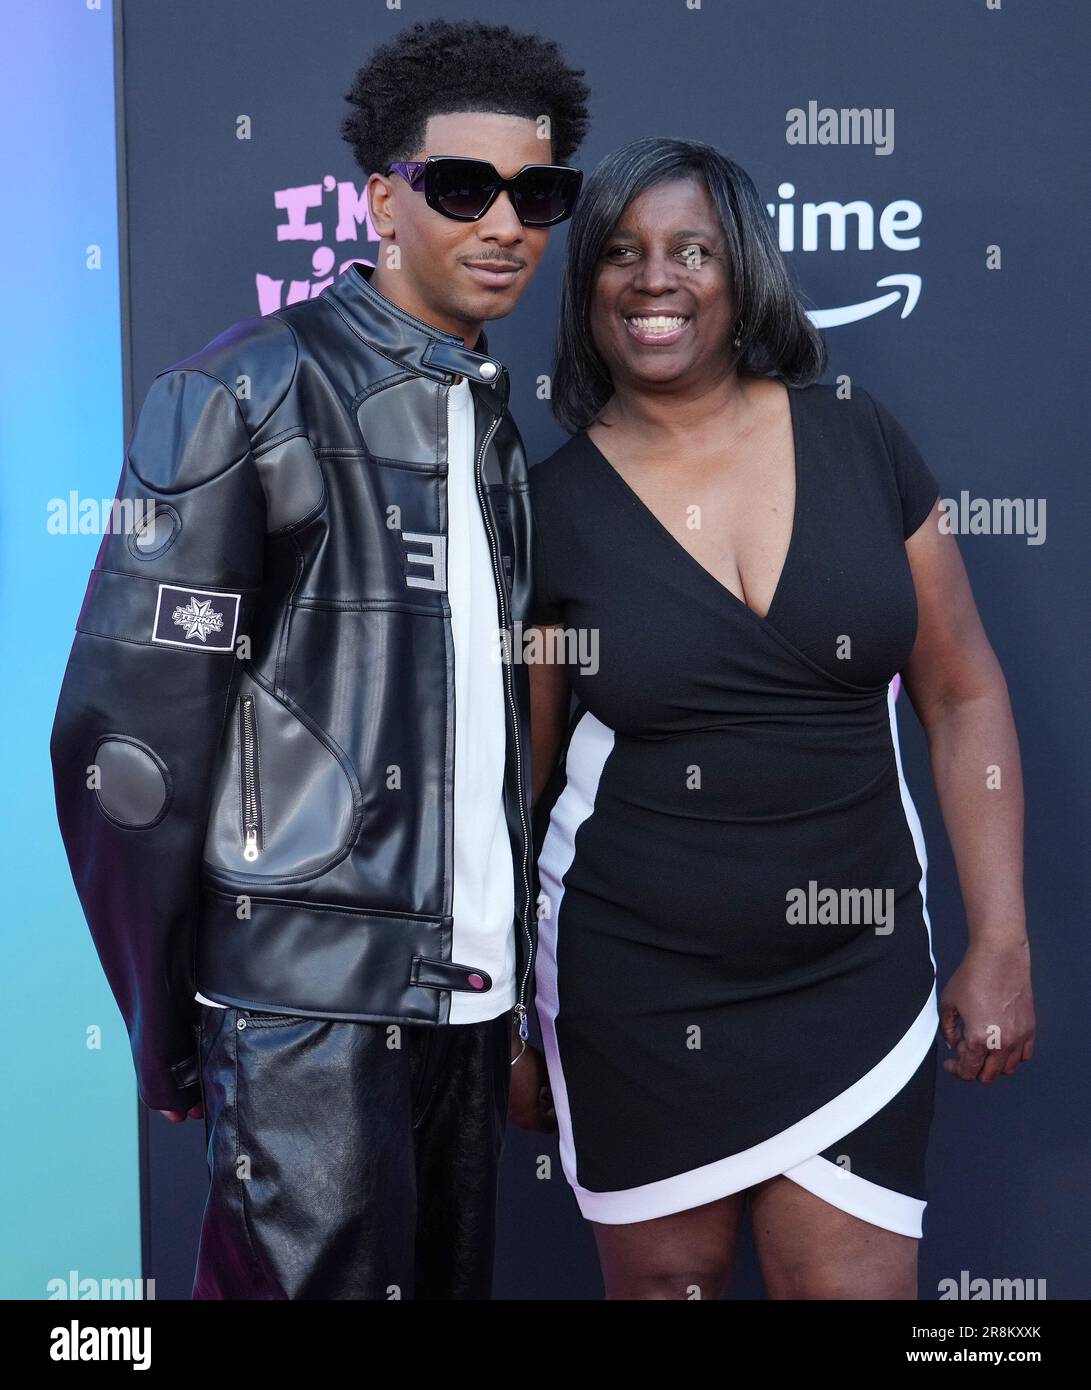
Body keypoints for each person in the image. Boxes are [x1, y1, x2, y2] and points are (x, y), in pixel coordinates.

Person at [49, 18, 589, 1300]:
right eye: (462, 188)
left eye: (538, 193)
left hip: (463, 1003)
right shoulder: (242, 395)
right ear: (381, 200)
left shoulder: (494, 427)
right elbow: (127, 750)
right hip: (302, 1005)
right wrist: (163, 1015)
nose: (504, 223)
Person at [521, 137, 1035, 1300]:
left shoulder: (855, 434)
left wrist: (999, 940)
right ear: (587, 283)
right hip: (633, 981)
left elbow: (963, 693)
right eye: (619, 253)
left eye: (688, 250)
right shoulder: (547, 504)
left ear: (738, 269)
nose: (653, 279)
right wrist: (503, 1013)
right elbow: (522, 779)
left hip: (849, 971)